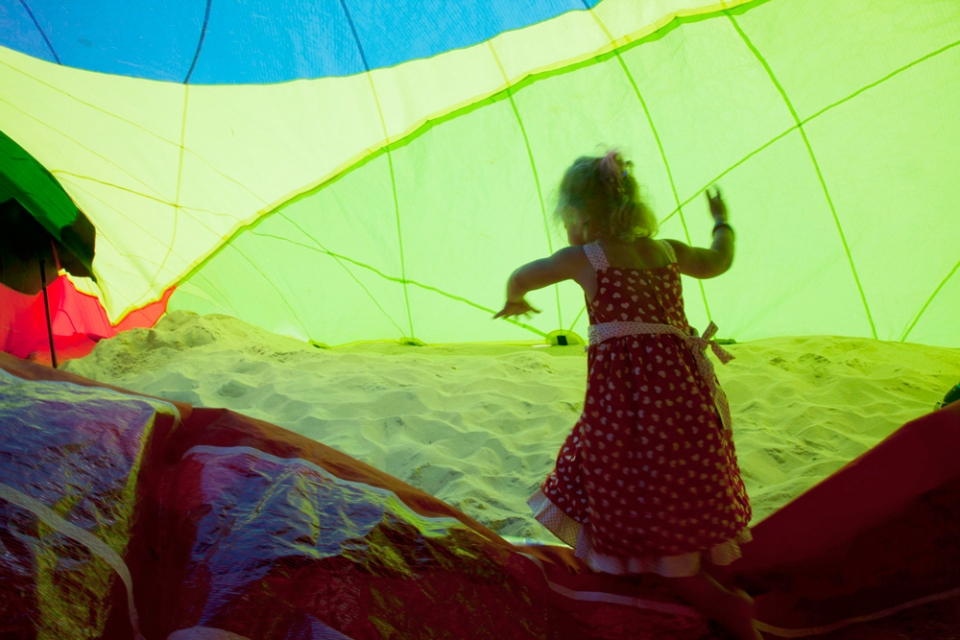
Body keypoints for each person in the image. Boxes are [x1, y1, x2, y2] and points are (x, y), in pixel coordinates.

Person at [494, 152, 760, 639]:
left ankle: (723, 606)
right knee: (681, 477)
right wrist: (722, 223)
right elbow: (719, 260)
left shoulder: (586, 258)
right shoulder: (668, 250)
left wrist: (515, 297)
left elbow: (525, 273)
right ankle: (677, 556)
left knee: (620, 473)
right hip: (687, 400)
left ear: (578, 218)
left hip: (629, 410)